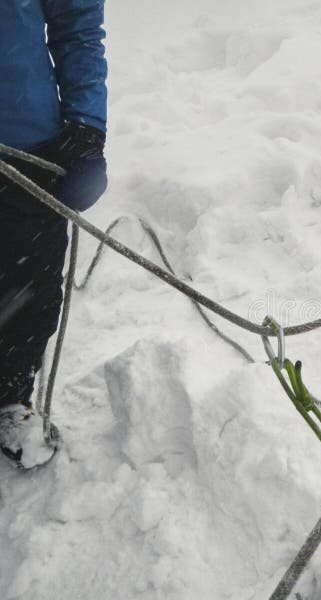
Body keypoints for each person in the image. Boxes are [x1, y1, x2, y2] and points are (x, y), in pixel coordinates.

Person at [0, 0, 109, 468]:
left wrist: (86, 126)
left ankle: (8, 397)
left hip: (26, 143)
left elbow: (77, 23)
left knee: (28, 289)